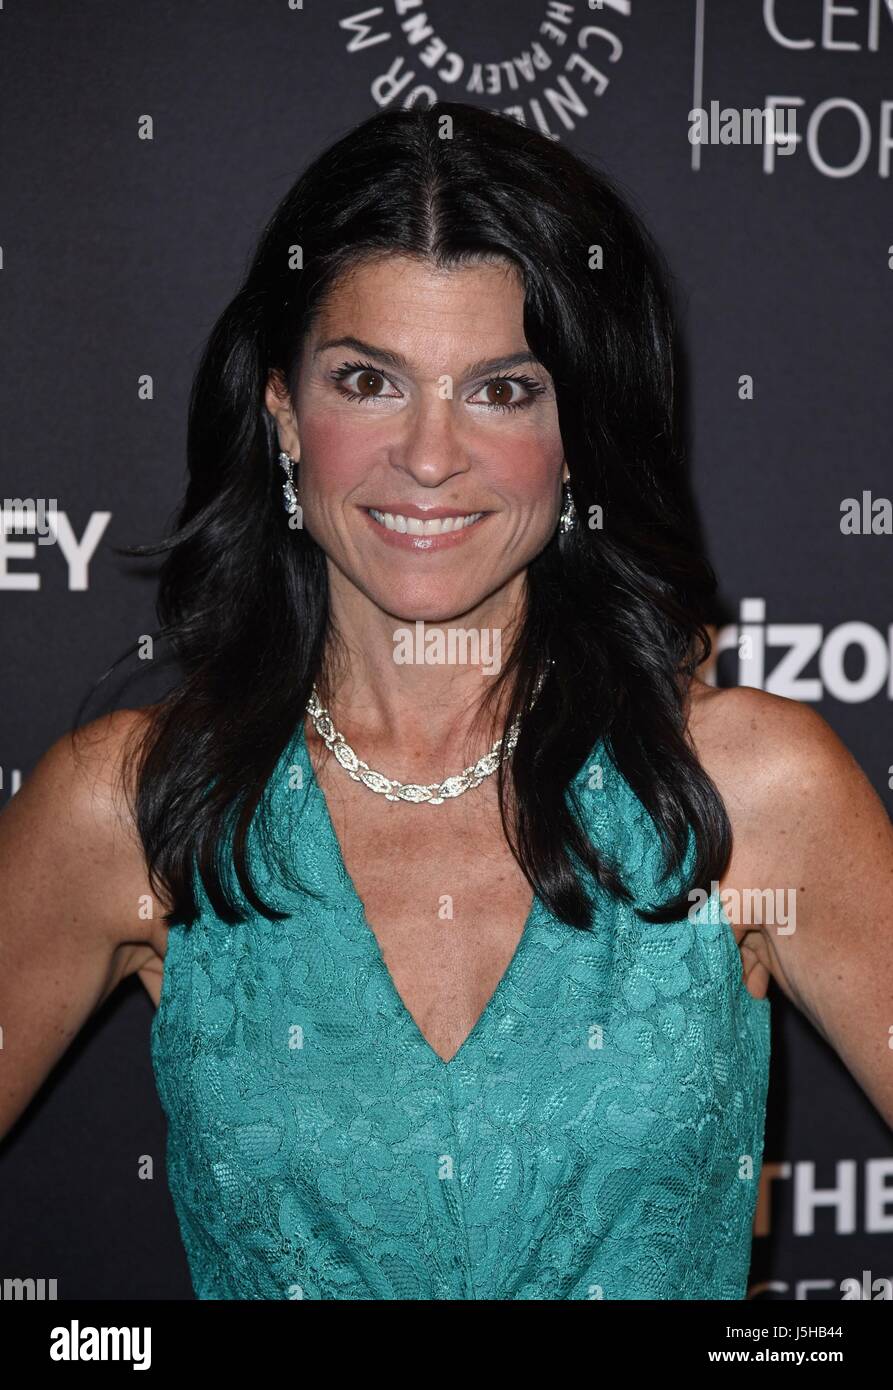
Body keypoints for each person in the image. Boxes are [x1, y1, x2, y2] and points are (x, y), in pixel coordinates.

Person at [1, 102, 891, 1302]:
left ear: (574, 436)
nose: (428, 457)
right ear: (280, 414)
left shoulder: (746, 794)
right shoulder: (131, 807)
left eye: (501, 390)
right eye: (367, 380)